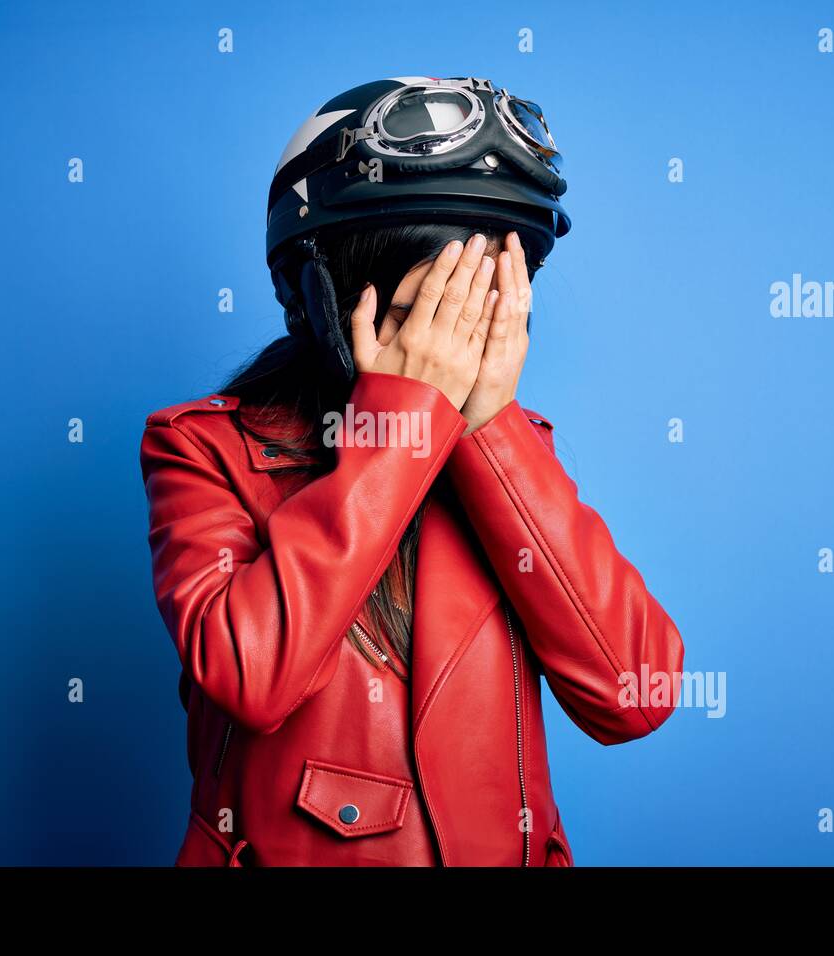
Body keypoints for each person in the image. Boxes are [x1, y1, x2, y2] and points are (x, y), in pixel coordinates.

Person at [140, 76, 685, 866]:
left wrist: (489, 428)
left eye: (476, 317)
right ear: (317, 299)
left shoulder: (515, 445)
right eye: (413, 324)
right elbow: (251, 675)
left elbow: (635, 693)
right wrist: (402, 421)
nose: (449, 358)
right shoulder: (203, 449)